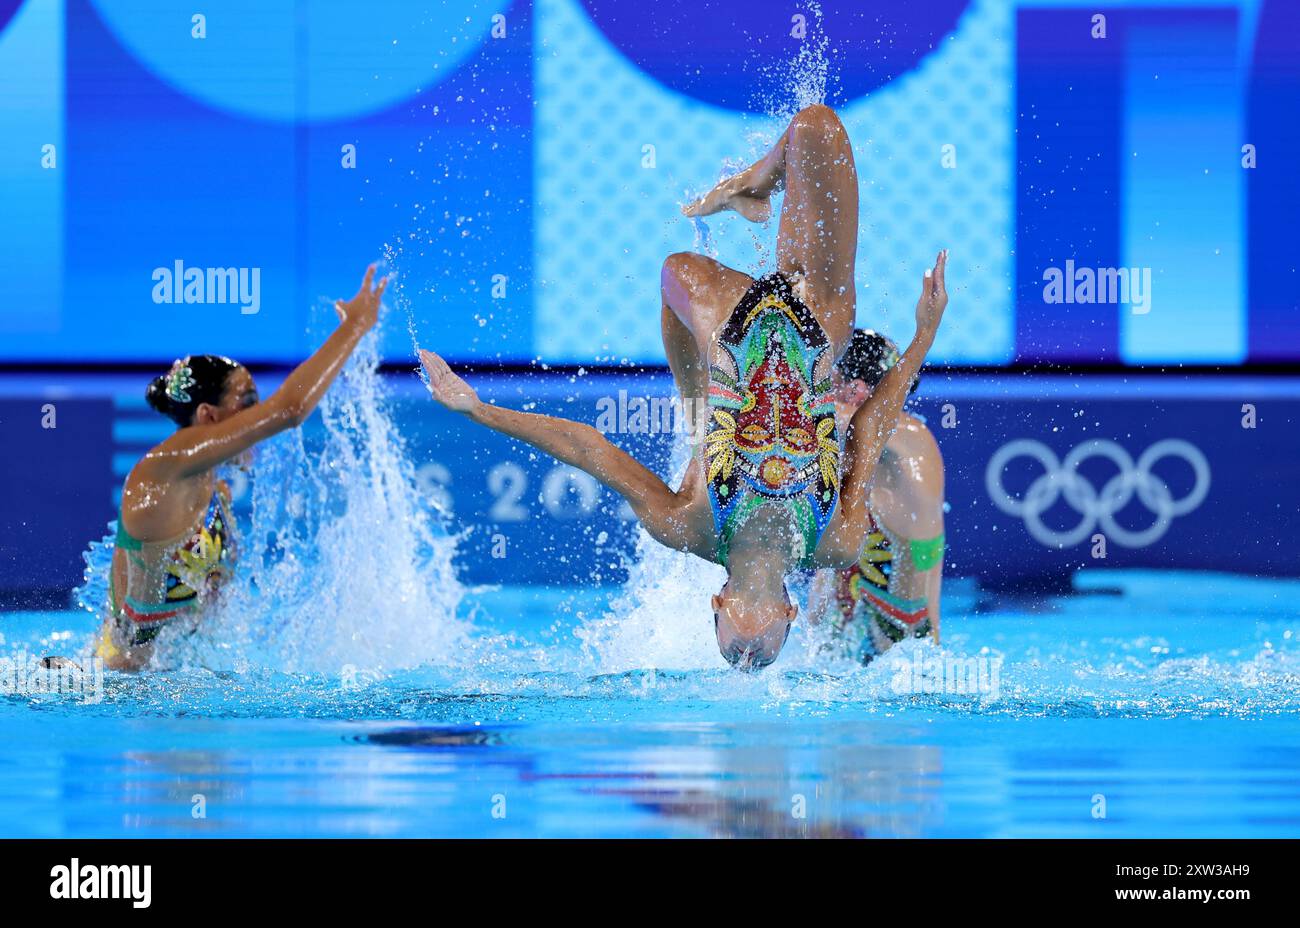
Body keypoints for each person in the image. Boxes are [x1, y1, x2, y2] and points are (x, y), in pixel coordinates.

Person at [420, 104, 948, 670]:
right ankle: (757, 182)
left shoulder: (686, 524)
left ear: (715, 603)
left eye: (733, 645)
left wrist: (481, 409)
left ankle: (699, 395)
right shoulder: (835, 543)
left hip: (731, 336)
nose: (748, 647)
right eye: (759, 649)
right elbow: (869, 429)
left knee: (675, 270)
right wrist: (924, 336)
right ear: (791, 616)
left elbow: (590, 449)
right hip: (818, 325)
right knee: (817, 127)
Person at [95, 265, 389, 671]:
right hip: (121, 692)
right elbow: (289, 410)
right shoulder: (161, 472)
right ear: (208, 416)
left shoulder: (217, 493)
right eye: (247, 401)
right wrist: (354, 327)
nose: (255, 418)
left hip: (175, 689)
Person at [807, 330, 945, 663]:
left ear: (855, 390)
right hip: (855, 658)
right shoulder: (855, 454)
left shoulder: (911, 439)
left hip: (904, 661)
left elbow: (820, 416)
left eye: (829, 381)